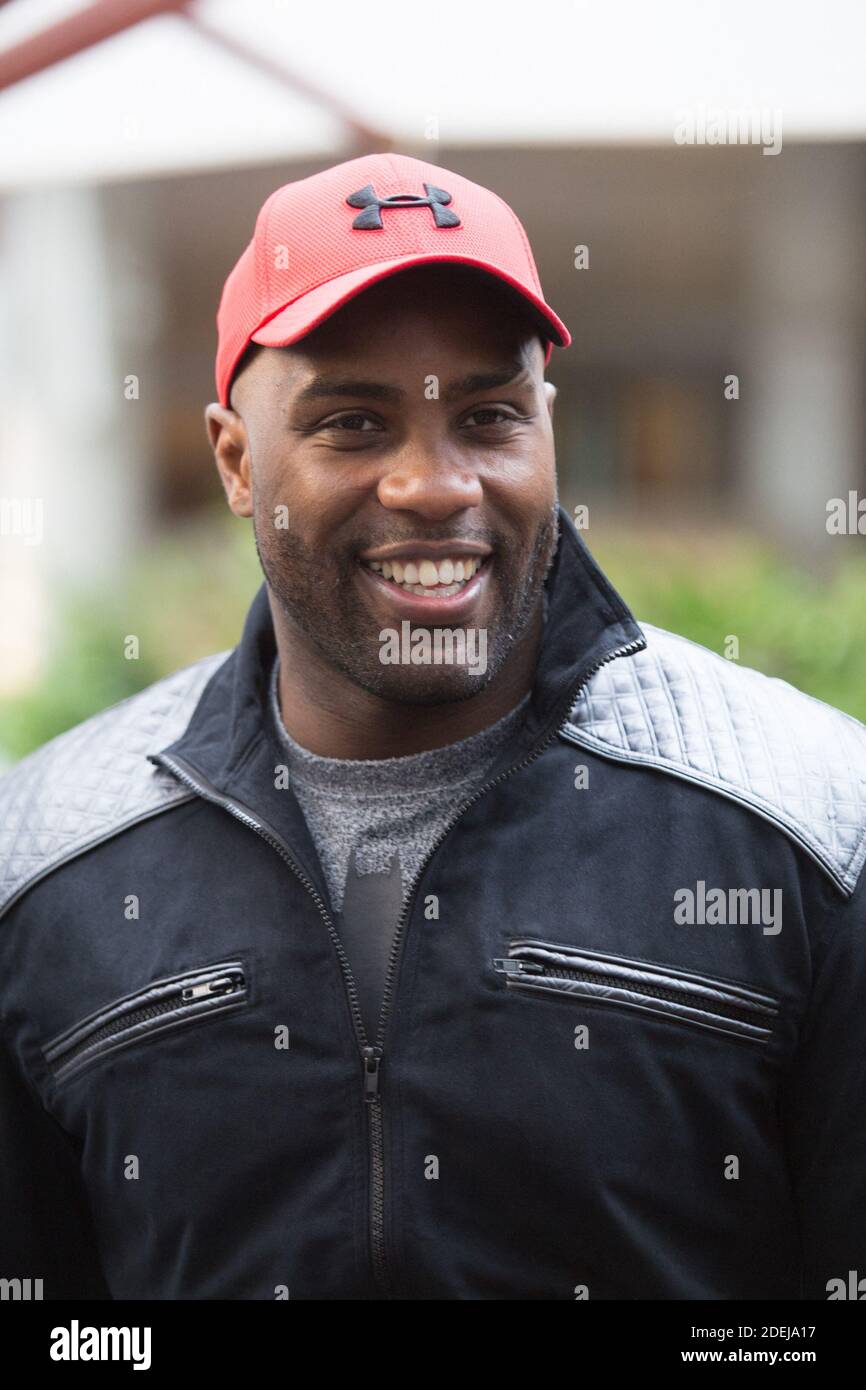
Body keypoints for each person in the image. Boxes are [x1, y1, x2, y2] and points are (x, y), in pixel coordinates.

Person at [1, 152, 864, 1301]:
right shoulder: (48, 862)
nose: (431, 483)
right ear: (233, 459)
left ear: (546, 428)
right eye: (353, 421)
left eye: (487, 414)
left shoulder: (807, 822)